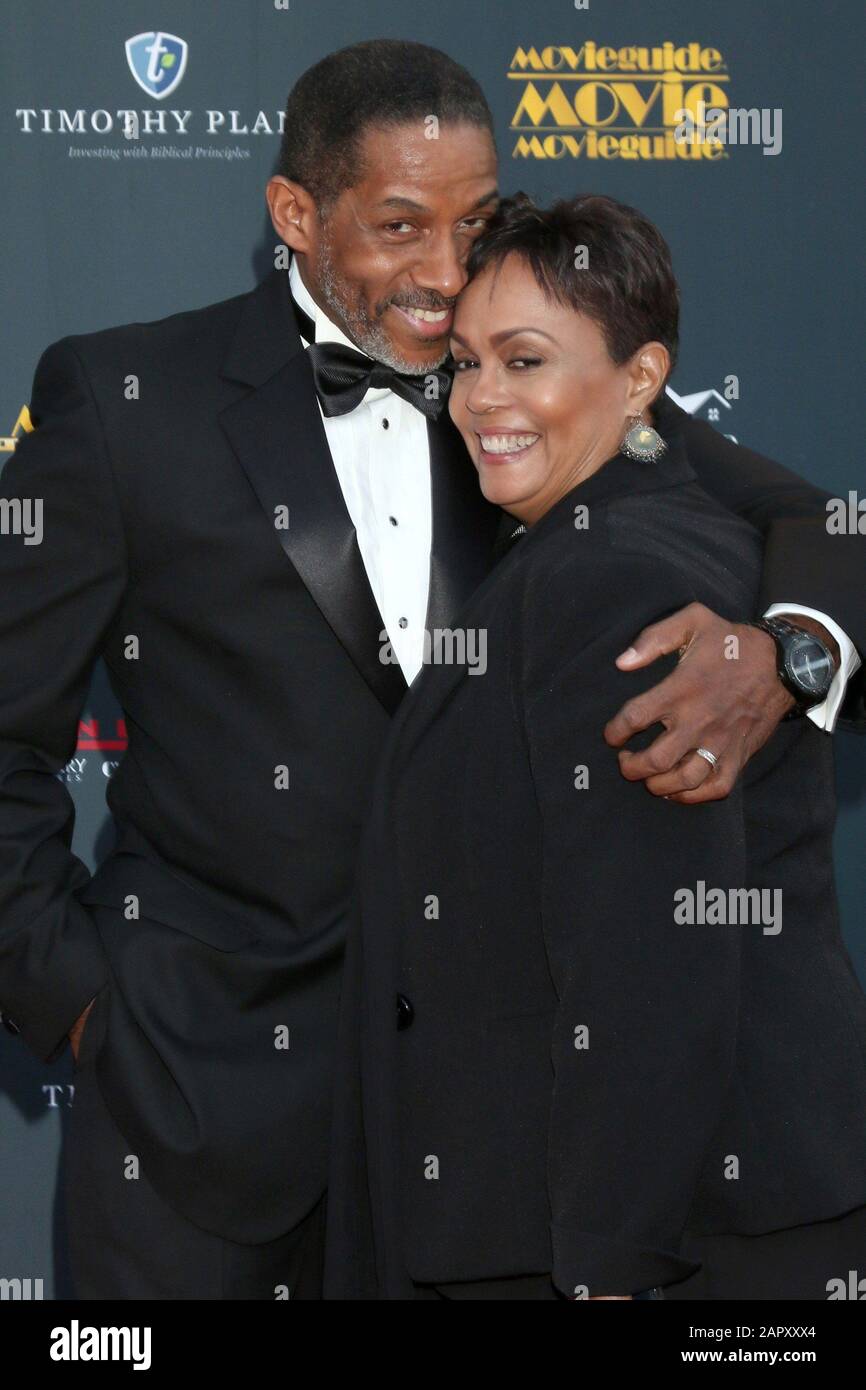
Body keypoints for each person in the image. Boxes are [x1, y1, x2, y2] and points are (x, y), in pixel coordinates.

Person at [0, 40, 862, 1301]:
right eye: (399, 225)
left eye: (473, 221)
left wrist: (787, 652)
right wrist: (87, 1009)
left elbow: (821, 525)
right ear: (296, 214)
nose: (445, 273)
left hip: (478, 1129)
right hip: (199, 1108)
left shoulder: (521, 378)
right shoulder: (128, 402)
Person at [323, 192, 866, 1301]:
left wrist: (609, 1269)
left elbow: (645, 974)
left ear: (638, 378)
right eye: (467, 363)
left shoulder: (611, 576)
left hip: (628, 1248)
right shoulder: (622, 528)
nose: (481, 401)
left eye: (524, 361)